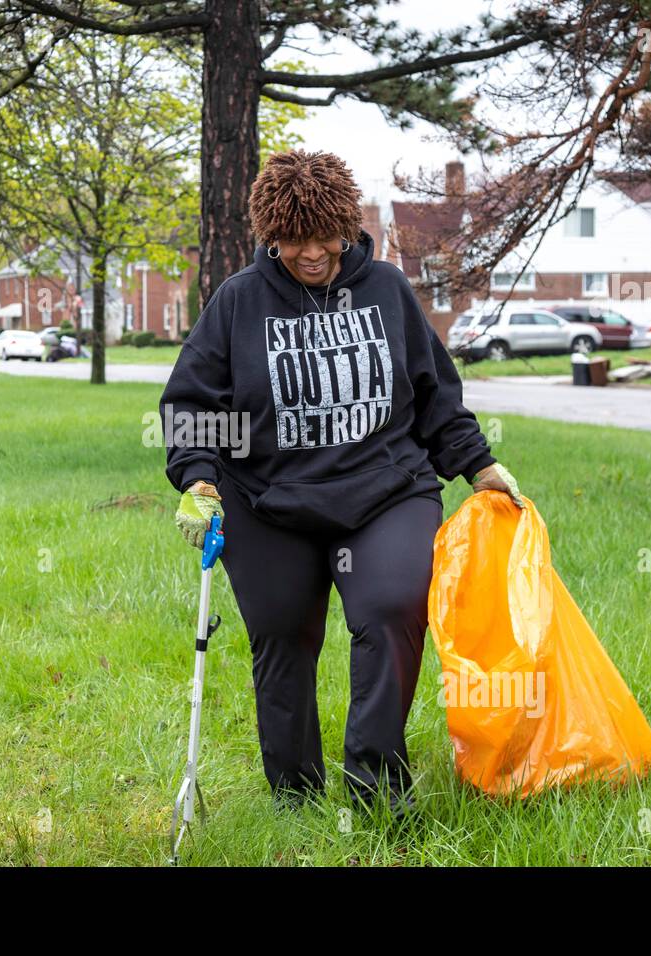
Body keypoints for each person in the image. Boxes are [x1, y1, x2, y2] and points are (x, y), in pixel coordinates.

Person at [159, 149, 523, 819]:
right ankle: (295, 799)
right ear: (270, 234)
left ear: (347, 225)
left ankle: (376, 787)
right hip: (269, 500)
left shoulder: (385, 290)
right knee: (281, 632)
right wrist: (201, 480)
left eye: (322, 236)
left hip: (385, 490)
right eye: (290, 240)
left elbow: (434, 392)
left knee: (390, 609)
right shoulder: (240, 301)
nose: (310, 253)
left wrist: (479, 465)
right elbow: (190, 405)